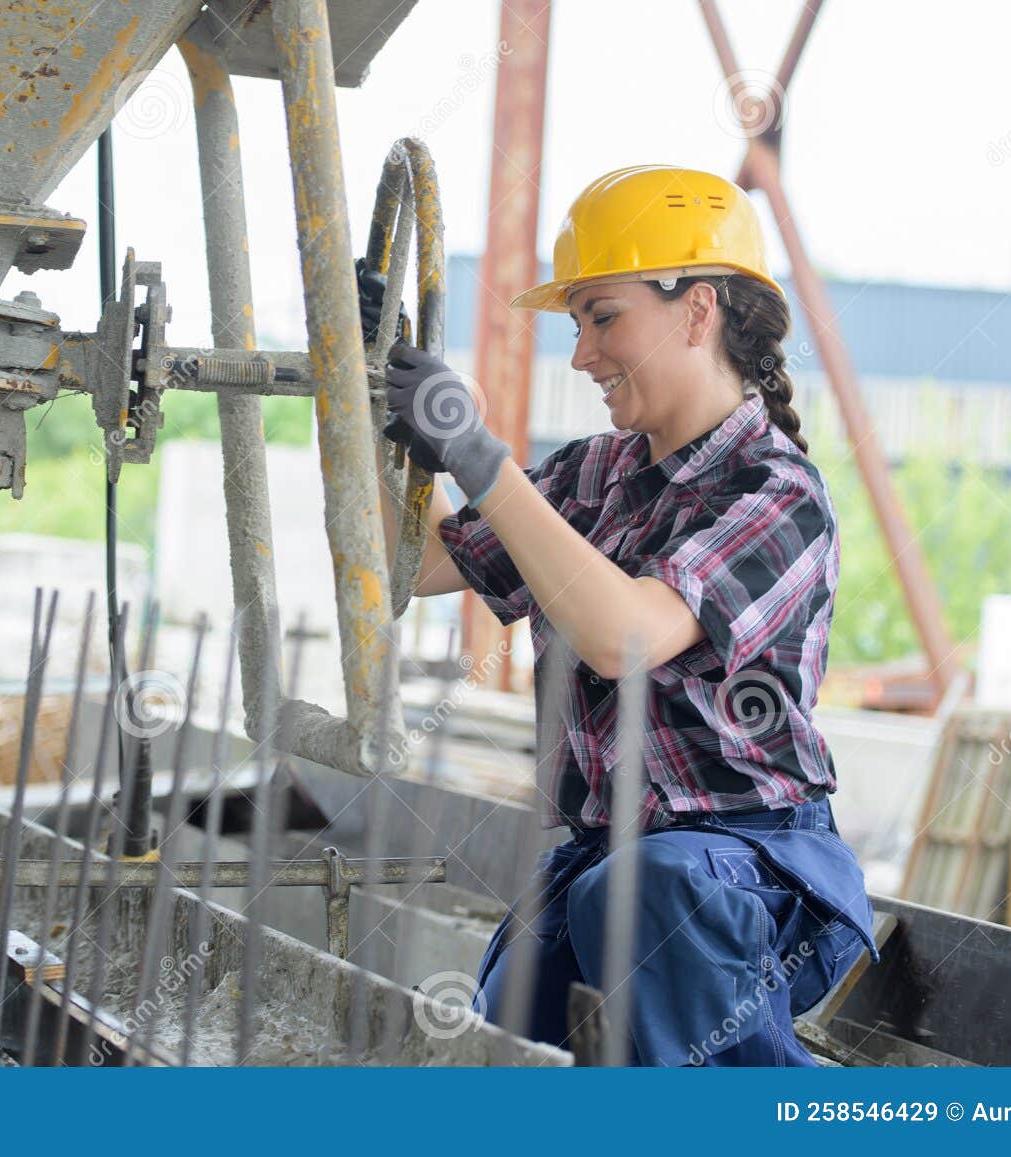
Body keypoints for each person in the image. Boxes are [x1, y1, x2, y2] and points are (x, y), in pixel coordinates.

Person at [364, 164, 878, 1067]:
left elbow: (625, 636)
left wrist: (481, 459)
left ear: (696, 310)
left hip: (745, 868)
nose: (582, 354)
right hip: (609, 864)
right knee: (503, 1037)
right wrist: (368, 412)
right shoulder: (592, 473)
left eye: (603, 317)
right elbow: (414, 566)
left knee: (642, 894)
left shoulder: (778, 494)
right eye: (576, 325)